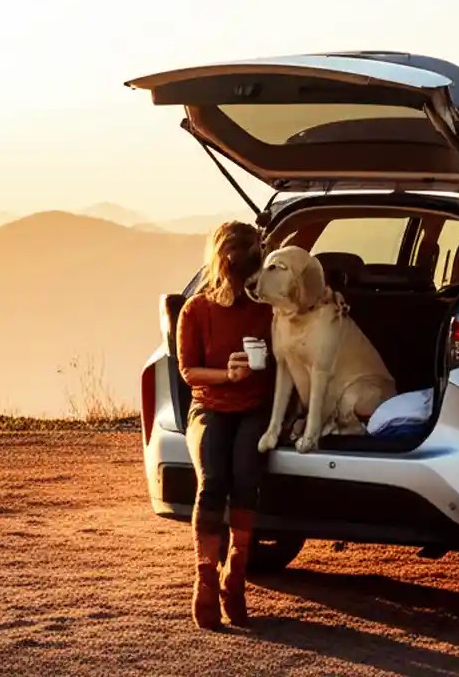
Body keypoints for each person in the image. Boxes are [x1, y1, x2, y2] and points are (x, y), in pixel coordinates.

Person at [176, 220, 273, 630]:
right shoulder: (195, 309)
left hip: (252, 406)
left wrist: (257, 370)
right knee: (213, 480)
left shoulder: (265, 309)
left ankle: (235, 575)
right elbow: (188, 371)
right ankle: (204, 579)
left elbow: (282, 364)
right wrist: (226, 376)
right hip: (209, 405)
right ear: (223, 263)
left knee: (245, 477)